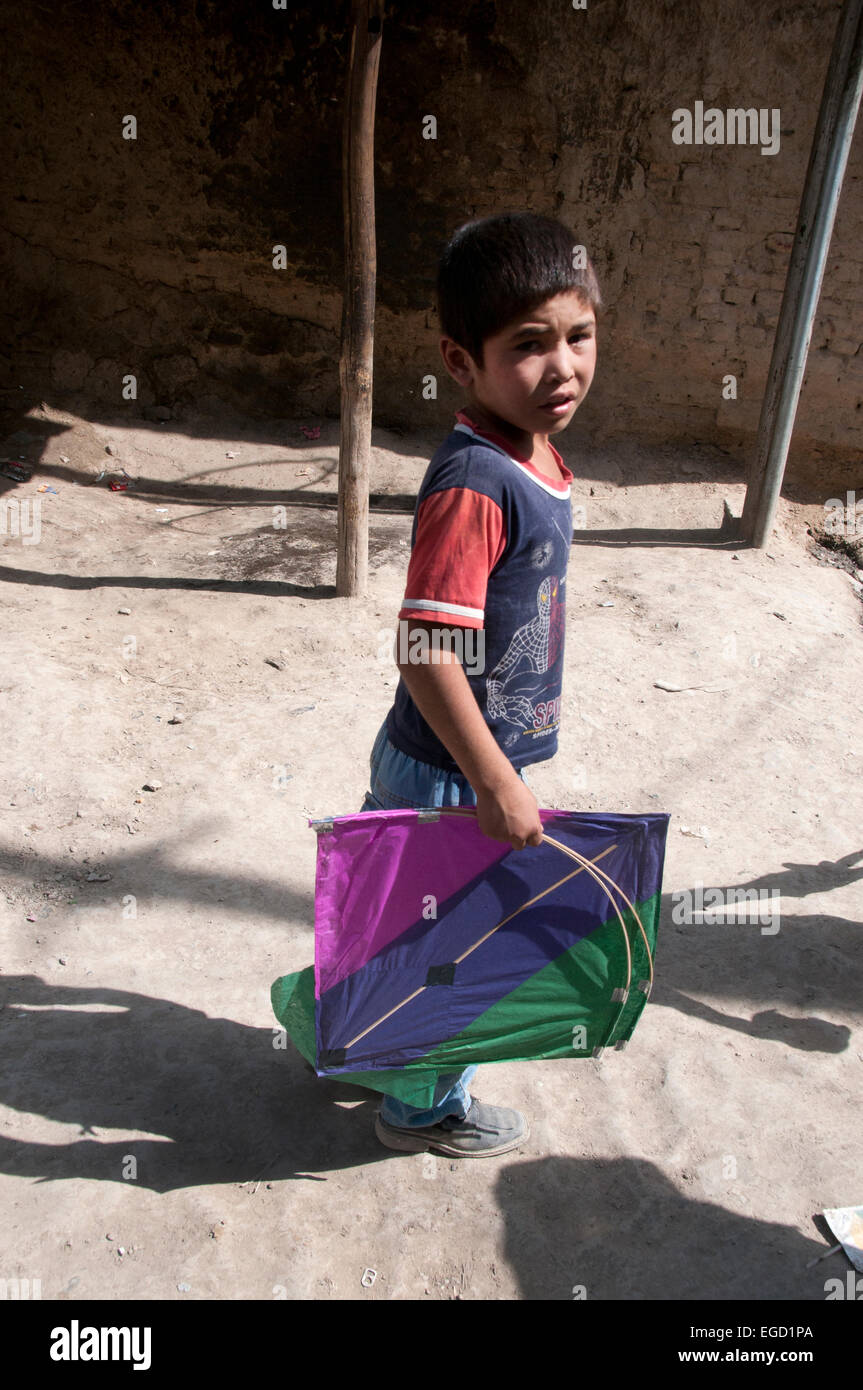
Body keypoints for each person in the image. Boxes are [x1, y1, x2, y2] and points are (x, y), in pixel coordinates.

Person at [362, 211, 601, 1156]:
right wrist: (495, 782)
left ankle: (358, 1041)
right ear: (462, 363)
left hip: (461, 767)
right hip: (450, 776)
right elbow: (425, 653)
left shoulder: (533, 454)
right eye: (528, 346)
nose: (562, 368)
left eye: (577, 336)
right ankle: (421, 1107)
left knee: (409, 938)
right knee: (455, 957)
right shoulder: (474, 481)